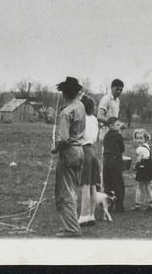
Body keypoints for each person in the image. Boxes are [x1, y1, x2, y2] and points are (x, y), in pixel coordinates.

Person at [51, 76, 86, 237]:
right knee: (72, 189)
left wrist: (56, 148)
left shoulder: (67, 112)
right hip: (79, 151)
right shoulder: (80, 106)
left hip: (69, 152)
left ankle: (71, 228)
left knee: (65, 191)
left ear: (65, 93)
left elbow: (64, 138)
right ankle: (70, 225)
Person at [78, 94, 101, 226]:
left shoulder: (82, 119)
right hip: (92, 151)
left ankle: (83, 216)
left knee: (85, 185)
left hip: (84, 150)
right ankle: (91, 215)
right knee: (92, 185)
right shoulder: (94, 119)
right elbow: (95, 137)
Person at [102, 117, 126, 213]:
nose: (119, 127)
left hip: (106, 161)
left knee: (108, 183)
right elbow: (122, 148)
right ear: (111, 126)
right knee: (118, 183)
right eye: (117, 125)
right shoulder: (118, 136)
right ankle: (119, 206)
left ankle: (108, 205)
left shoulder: (106, 136)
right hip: (115, 161)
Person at [133, 132, 152, 211]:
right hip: (149, 169)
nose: (139, 140)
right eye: (137, 138)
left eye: (141, 138)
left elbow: (139, 159)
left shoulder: (139, 149)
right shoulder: (147, 146)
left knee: (139, 186)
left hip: (142, 169)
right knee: (148, 186)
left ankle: (137, 204)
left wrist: (134, 166)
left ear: (145, 139)